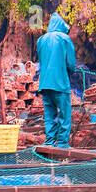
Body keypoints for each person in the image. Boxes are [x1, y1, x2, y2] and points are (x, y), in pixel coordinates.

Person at [36, 12, 76, 148]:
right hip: (60, 83)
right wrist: (70, 72)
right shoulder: (65, 39)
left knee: (49, 114)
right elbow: (71, 64)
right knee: (64, 114)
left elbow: (41, 60)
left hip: (44, 84)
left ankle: (49, 142)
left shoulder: (41, 40)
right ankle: (63, 144)